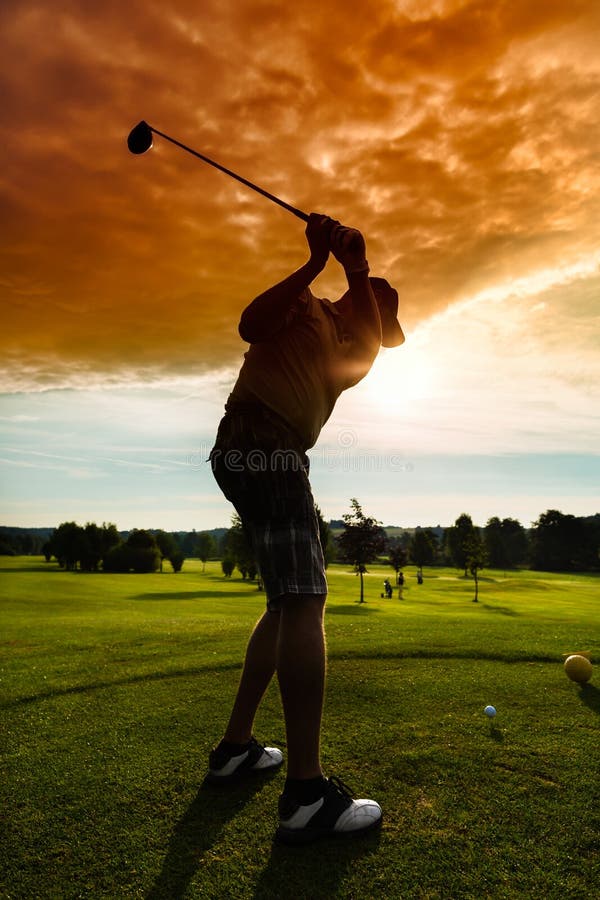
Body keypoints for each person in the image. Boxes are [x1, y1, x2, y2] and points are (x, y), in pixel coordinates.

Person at [207, 213, 405, 844]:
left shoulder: (348, 350)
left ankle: (237, 748)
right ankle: (305, 793)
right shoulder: (307, 307)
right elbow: (250, 324)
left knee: (285, 603)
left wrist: (353, 268)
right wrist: (316, 263)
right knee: (305, 600)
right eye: (376, 301)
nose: (376, 312)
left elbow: (377, 341)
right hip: (263, 440)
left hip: (253, 450)